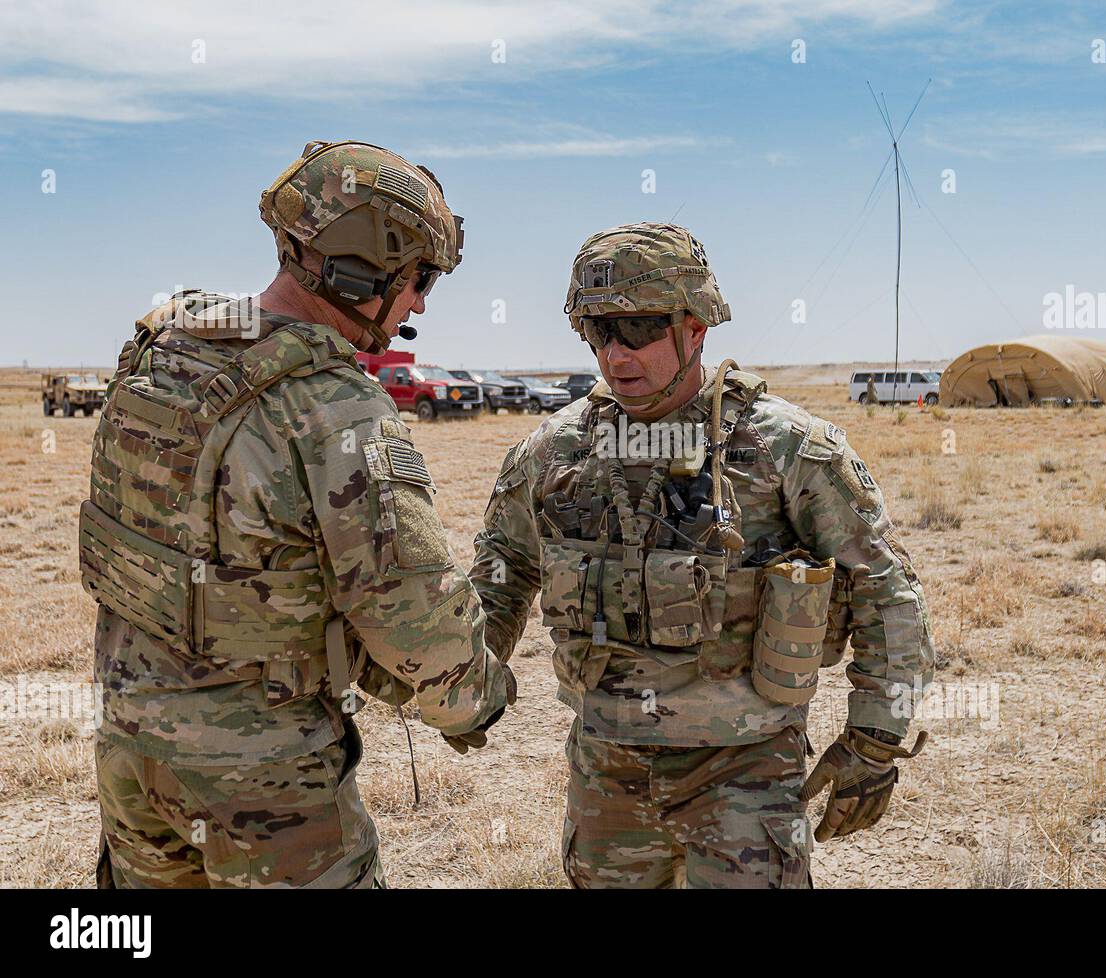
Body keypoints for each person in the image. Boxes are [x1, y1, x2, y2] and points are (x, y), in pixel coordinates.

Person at [82, 140, 513, 888]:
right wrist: (478, 702)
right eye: (419, 279)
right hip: (264, 791)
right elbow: (414, 616)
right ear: (366, 270)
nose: (420, 303)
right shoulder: (336, 408)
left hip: (132, 758)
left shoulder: (163, 348)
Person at [470, 222, 932, 888]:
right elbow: (502, 570)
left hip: (745, 773)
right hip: (608, 770)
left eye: (637, 330)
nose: (615, 357)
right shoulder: (556, 451)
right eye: (596, 332)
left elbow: (885, 590)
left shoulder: (786, 449)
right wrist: (463, 680)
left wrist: (874, 743)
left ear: (696, 326)